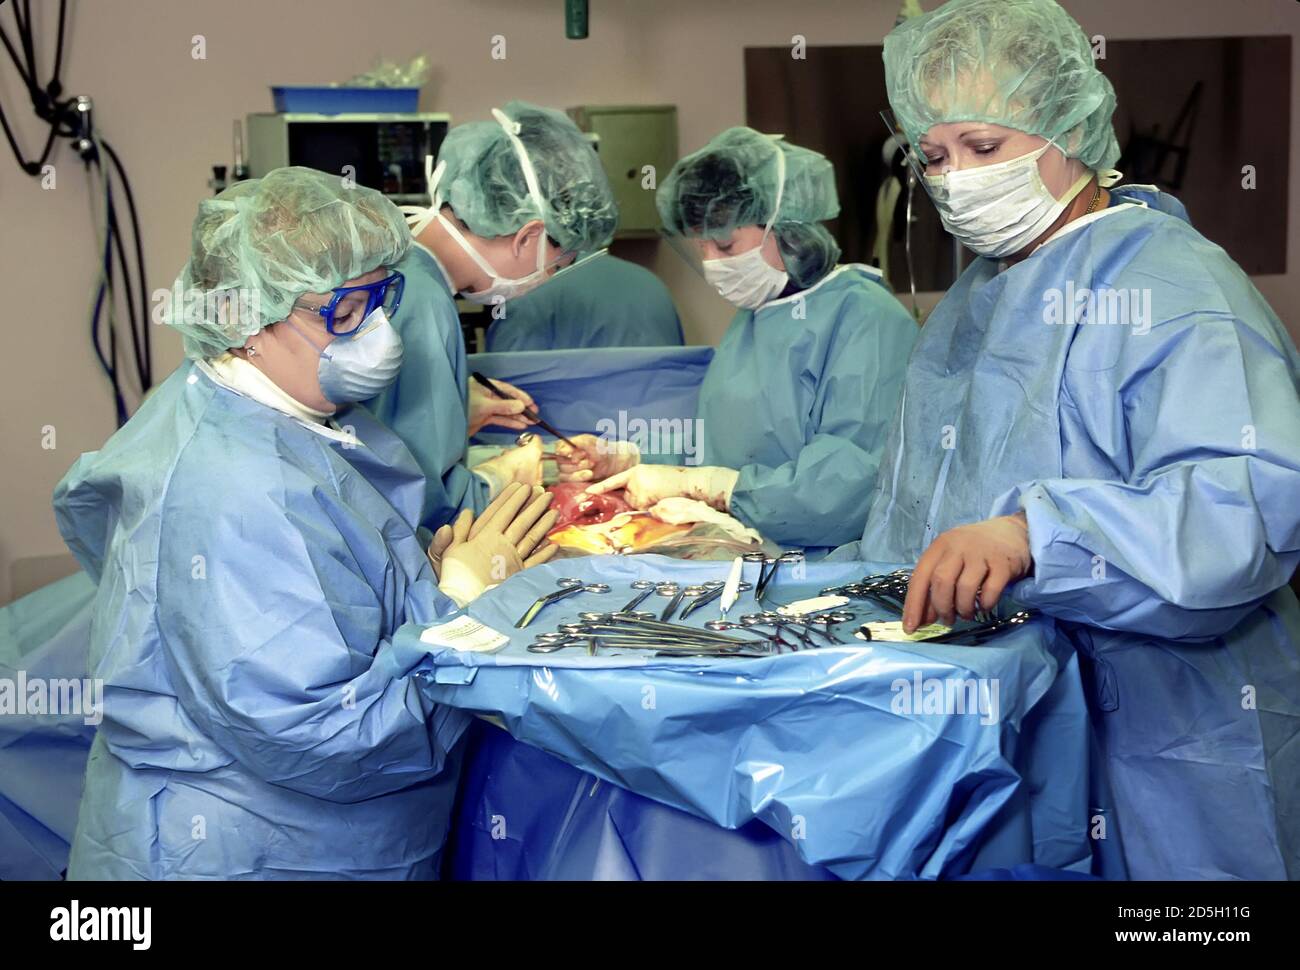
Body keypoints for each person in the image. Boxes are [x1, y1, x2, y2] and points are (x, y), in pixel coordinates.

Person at [848, 0, 1300, 879]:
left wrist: (1033, 535)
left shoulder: (1172, 283)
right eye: (934, 158)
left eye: (985, 148)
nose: (956, 180)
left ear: (1071, 128)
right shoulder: (981, 295)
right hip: (1012, 731)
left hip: (1167, 743)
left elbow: (1246, 509)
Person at [53, 168, 556, 880]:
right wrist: (460, 613)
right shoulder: (234, 488)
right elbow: (326, 735)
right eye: (347, 311)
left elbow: (333, 582)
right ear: (246, 320)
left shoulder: (275, 410)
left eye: (384, 297)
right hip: (250, 849)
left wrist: (425, 580)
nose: (378, 332)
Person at [579, 128, 917, 551]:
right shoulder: (759, 314)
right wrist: (630, 460)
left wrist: (711, 488)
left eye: (724, 244)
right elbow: (728, 441)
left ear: (789, 226)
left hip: (824, 570)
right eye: (701, 246)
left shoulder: (867, 319)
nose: (711, 264)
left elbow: (845, 491)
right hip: (745, 551)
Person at [390, 100, 619, 506]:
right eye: (557, 264)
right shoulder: (423, 301)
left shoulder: (405, 272)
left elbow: (388, 433)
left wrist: (457, 411)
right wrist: (503, 477)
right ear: (528, 236)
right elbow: (415, 500)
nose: (547, 278)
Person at [484, 251, 684, 351]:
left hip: (572, 430)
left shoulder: (529, 293)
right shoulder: (649, 281)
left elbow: (504, 392)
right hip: (661, 426)